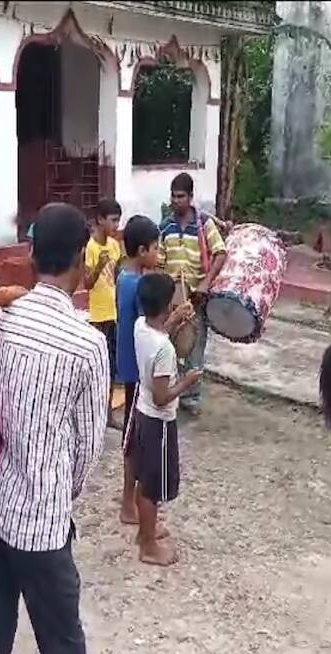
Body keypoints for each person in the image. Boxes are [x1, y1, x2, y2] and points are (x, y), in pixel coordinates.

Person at [0, 202, 108, 654]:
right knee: (63, 647)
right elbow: (88, 447)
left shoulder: (4, 319)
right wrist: (56, 495)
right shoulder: (87, 343)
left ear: (31, 255)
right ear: (81, 257)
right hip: (42, 524)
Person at [116, 215, 193, 525]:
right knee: (135, 443)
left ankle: (130, 502)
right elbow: (155, 329)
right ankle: (128, 503)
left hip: (132, 369)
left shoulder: (124, 277)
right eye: (156, 248)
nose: (159, 254)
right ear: (142, 250)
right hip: (139, 374)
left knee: (133, 440)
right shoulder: (138, 286)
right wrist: (175, 318)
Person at [130, 273, 200, 566]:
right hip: (158, 419)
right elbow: (163, 396)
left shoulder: (140, 327)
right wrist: (187, 381)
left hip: (142, 411)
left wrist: (173, 320)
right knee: (152, 486)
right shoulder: (166, 351)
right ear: (168, 305)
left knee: (144, 478)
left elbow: (160, 332)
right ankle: (148, 546)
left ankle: (146, 531)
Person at [157, 173, 228, 416]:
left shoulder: (204, 223)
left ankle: (192, 398)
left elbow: (220, 252)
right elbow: (159, 262)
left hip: (197, 297)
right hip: (173, 297)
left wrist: (206, 283)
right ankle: (173, 394)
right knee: (171, 346)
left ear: (190, 197)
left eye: (181, 196)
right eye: (173, 196)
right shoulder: (164, 226)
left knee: (195, 346)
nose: (176, 201)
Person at [83, 199, 124, 426]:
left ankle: (107, 413)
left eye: (118, 220)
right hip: (97, 315)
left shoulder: (115, 245)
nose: (117, 225)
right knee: (98, 366)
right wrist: (99, 266)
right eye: (113, 220)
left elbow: (117, 277)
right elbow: (87, 283)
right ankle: (95, 413)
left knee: (111, 365)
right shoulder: (91, 248)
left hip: (113, 313)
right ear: (100, 220)